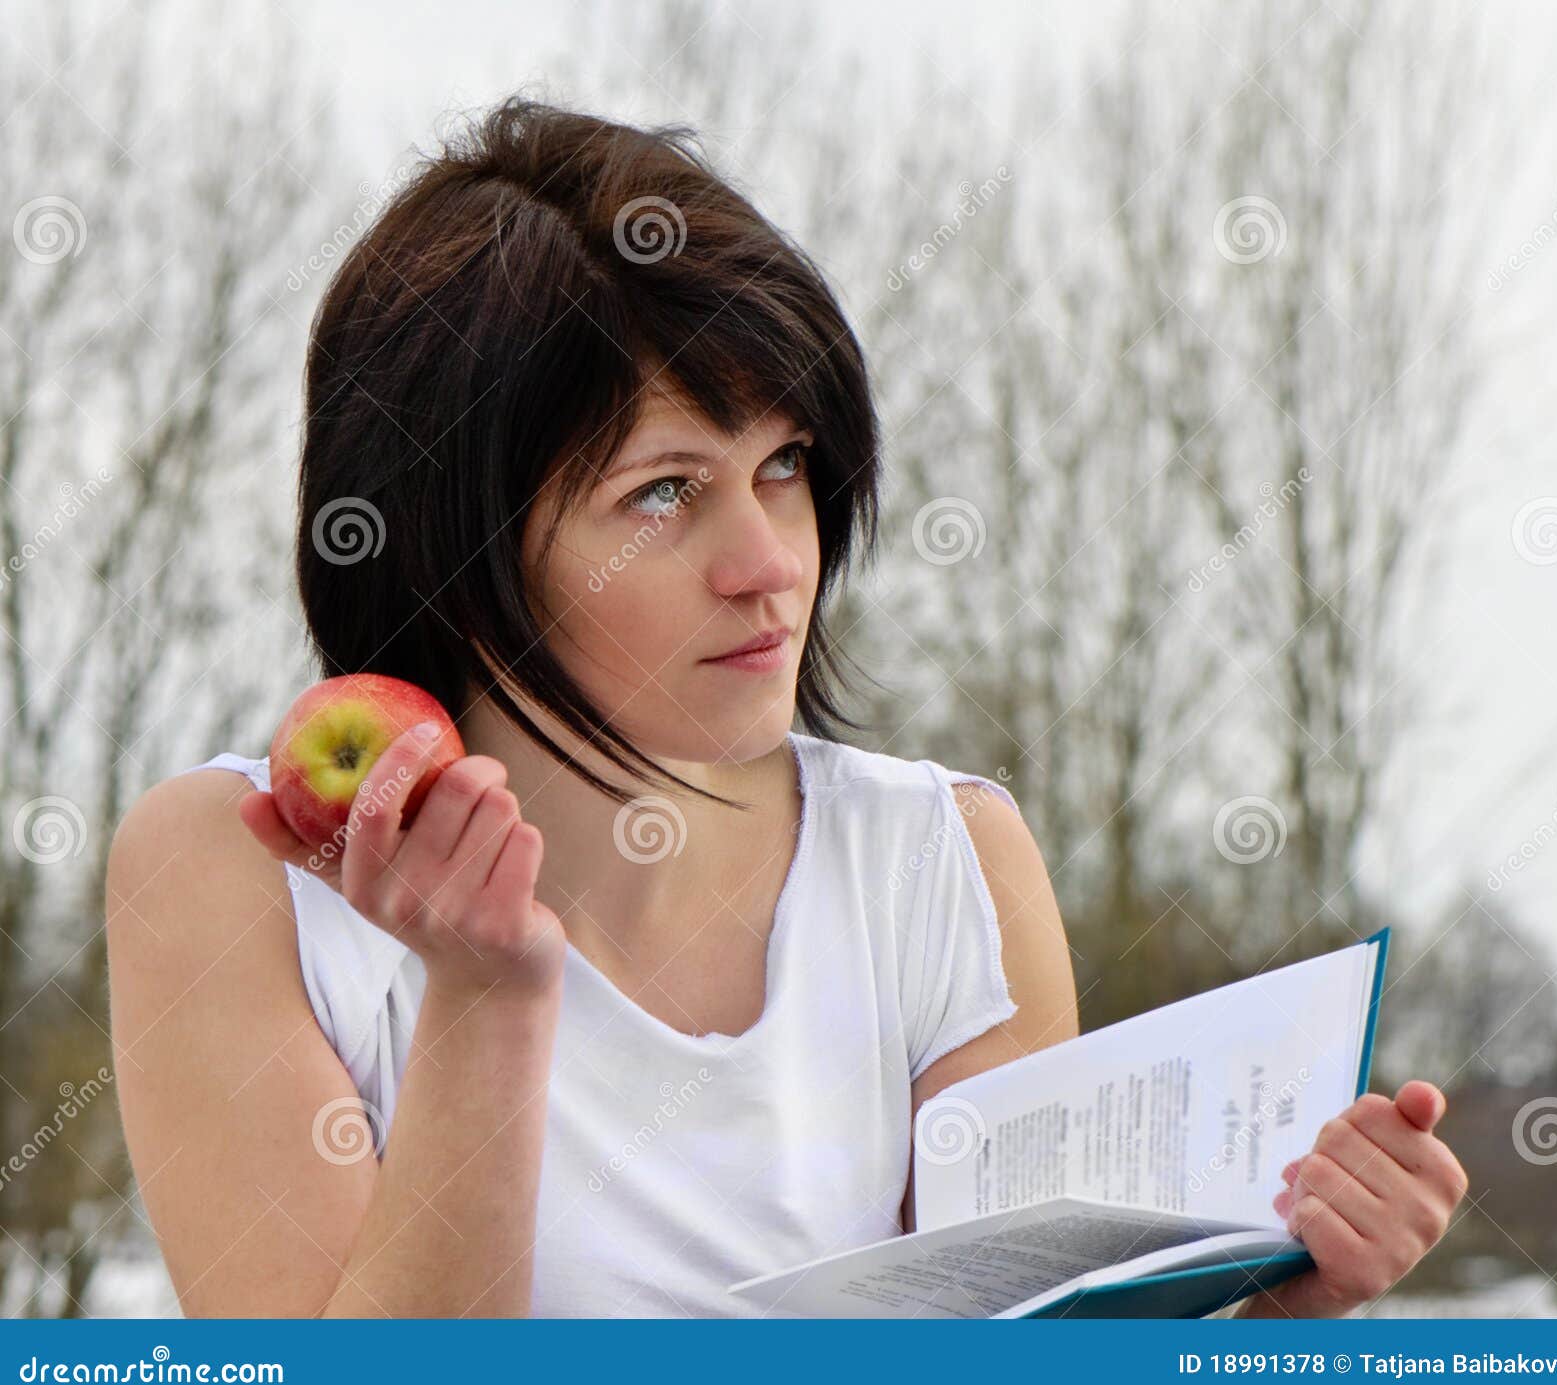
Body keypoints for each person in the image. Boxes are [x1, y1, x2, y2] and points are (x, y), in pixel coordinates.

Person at [104, 94, 1467, 1319]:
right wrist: (487, 999)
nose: (772, 563)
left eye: (786, 466)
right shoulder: (240, 869)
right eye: (664, 492)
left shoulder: (950, 863)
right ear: (452, 545)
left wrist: (1282, 1313)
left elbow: (1010, 1367)